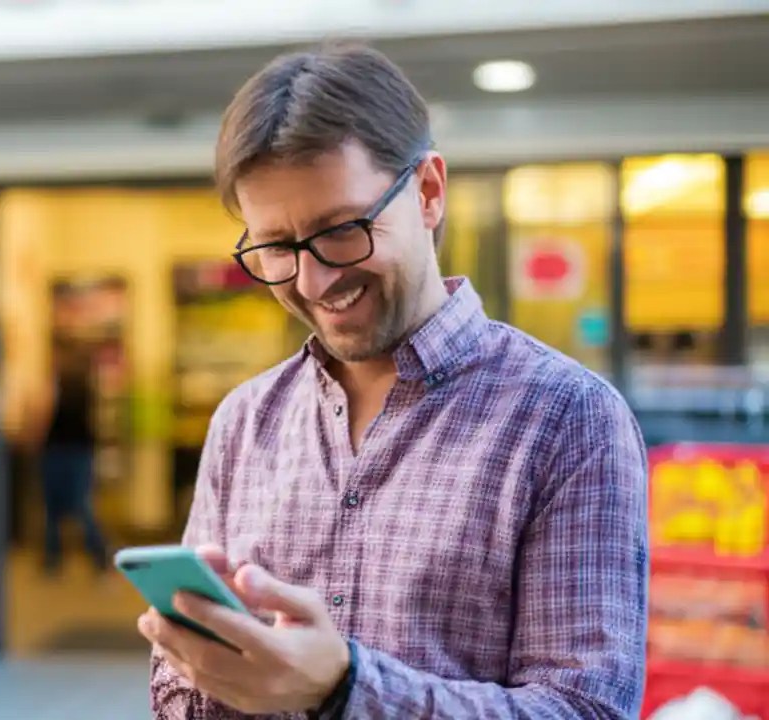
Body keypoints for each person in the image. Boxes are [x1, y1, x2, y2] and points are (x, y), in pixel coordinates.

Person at [139, 43, 647, 718]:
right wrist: (201, 665)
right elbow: (171, 689)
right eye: (276, 248)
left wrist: (344, 688)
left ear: (430, 192)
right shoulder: (245, 420)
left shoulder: (568, 418)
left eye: (341, 230)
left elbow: (586, 709)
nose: (313, 281)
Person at [37, 341, 110, 576]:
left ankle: (59, 558)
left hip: (62, 450)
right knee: (77, 506)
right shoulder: (85, 384)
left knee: (61, 508)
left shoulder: (61, 386)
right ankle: (93, 557)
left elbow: (45, 417)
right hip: (77, 449)